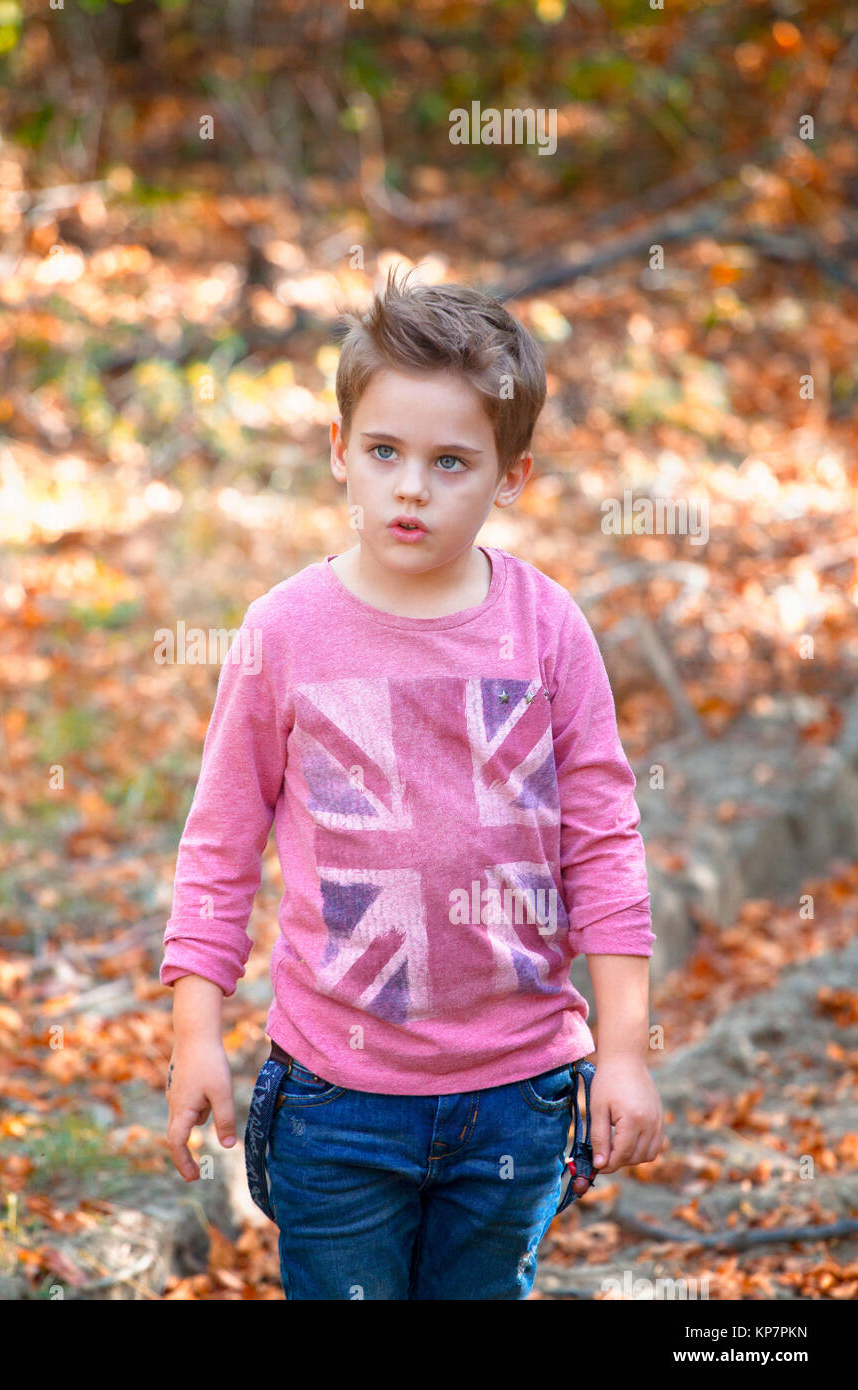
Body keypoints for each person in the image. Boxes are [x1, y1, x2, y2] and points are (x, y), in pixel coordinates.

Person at [160, 267, 664, 1299]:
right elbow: (218, 846)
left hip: (517, 1093)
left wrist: (621, 1052)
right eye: (384, 452)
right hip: (336, 1097)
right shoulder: (284, 633)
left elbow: (603, 842)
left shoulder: (545, 629)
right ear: (339, 451)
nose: (412, 487)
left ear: (510, 476)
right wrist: (195, 1037)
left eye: (451, 461)